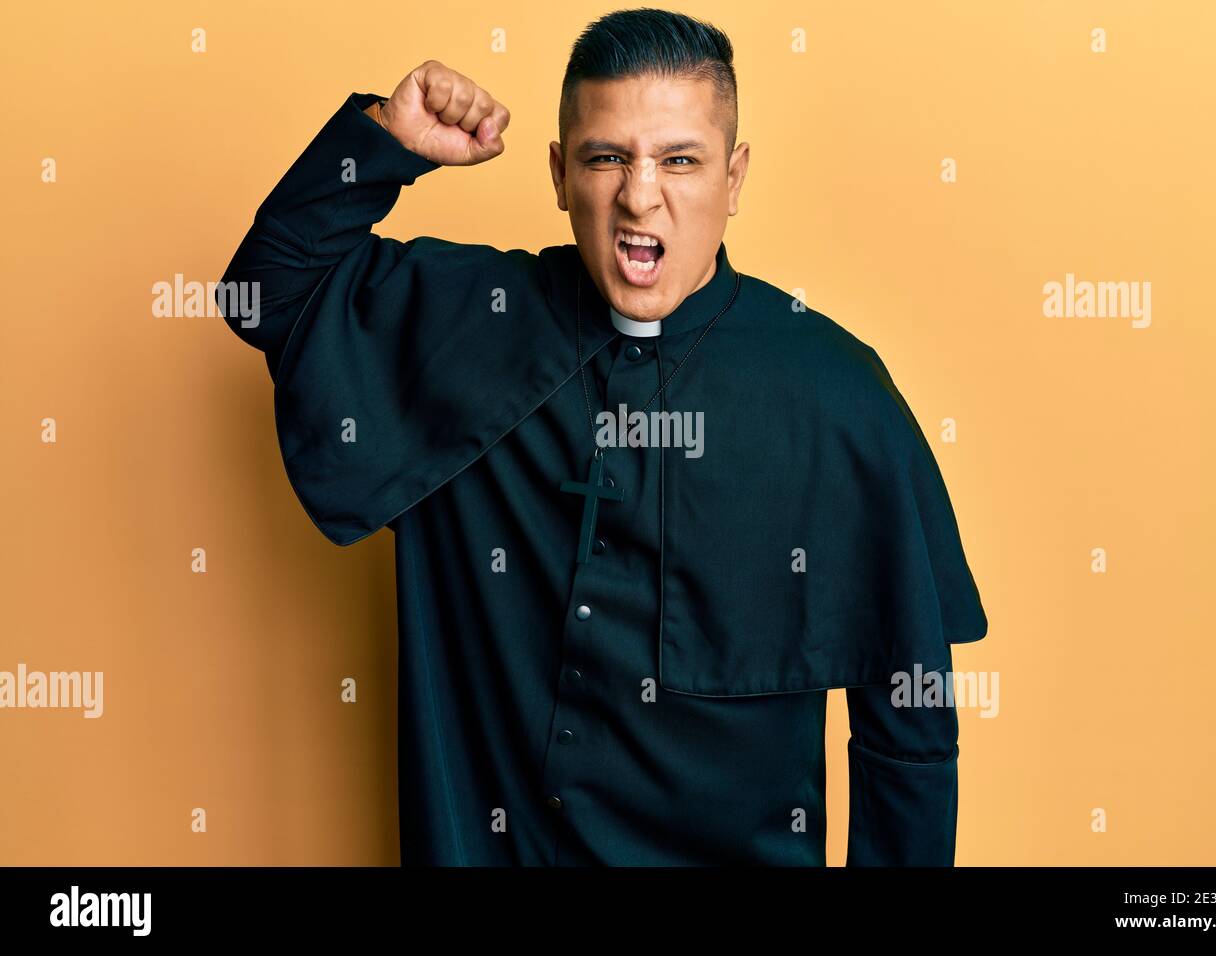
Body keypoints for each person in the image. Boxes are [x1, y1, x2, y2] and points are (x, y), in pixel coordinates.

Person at [218, 8, 988, 866]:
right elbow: (264, 291)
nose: (639, 193)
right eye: (607, 156)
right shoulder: (469, 324)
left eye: (680, 159)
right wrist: (383, 143)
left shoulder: (835, 392)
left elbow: (907, 729)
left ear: (734, 179)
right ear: (559, 173)